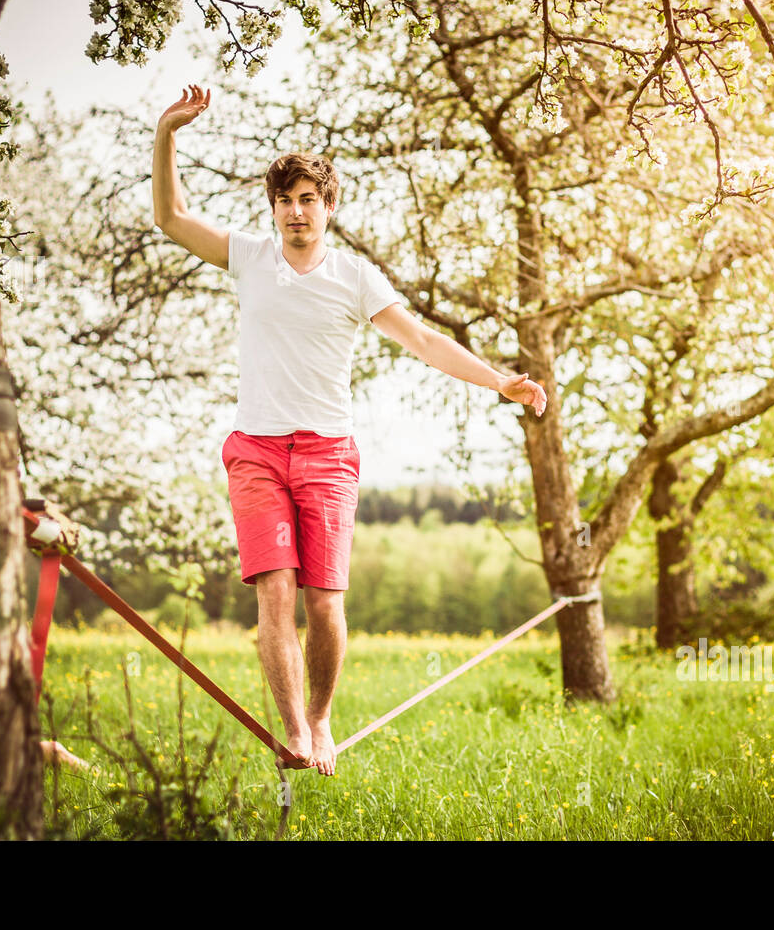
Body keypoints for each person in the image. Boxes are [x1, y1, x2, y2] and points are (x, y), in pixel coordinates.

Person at [151, 85, 546, 775]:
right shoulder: (249, 258)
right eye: (285, 201)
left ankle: (324, 718)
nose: (296, 212)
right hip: (256, 452)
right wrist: (167, 133)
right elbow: (172, 217)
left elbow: (424, 341)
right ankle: (296, 730)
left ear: (328, 207)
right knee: (275, 590)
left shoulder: (355, 277)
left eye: (309, 199)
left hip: (329, 456)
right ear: (272, 209)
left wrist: (499, 381)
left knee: (324, 603)